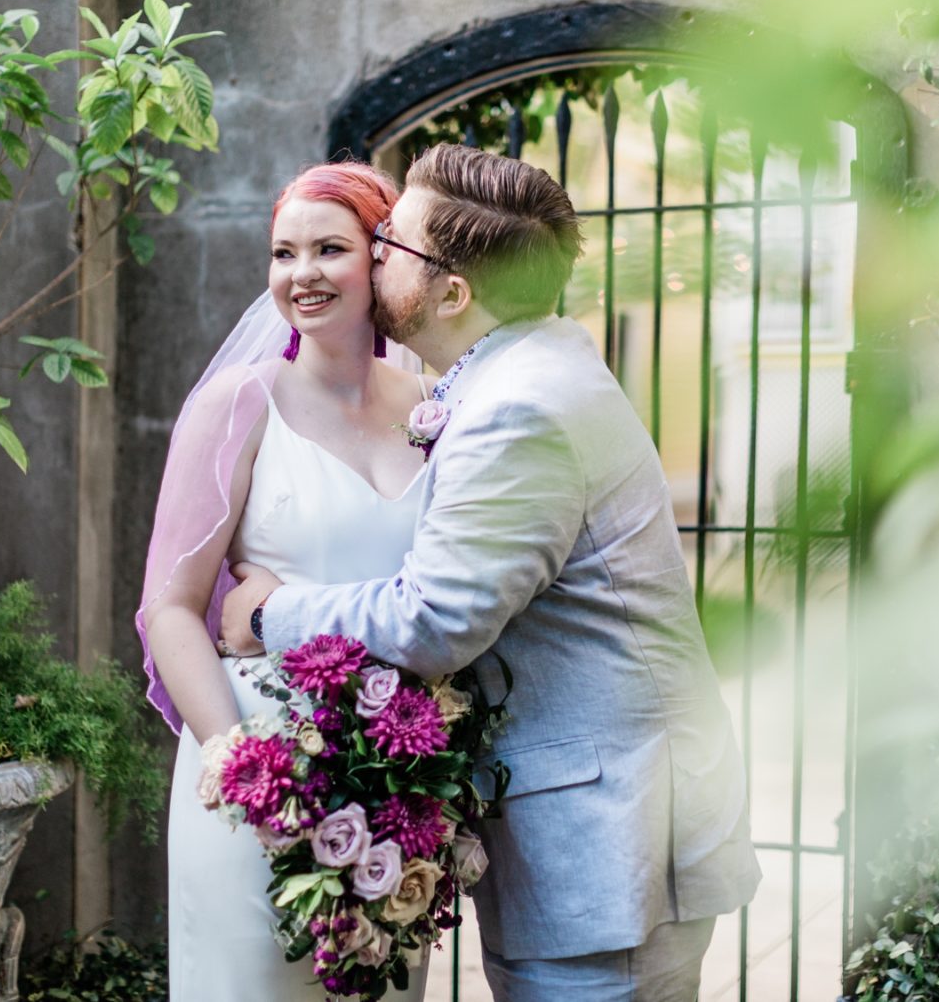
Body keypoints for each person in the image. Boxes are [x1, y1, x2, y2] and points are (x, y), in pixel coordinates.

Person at [220, 143, 761, 1001]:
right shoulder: (534, 367)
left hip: (603, 845)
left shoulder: (518, 411)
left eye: (388, 240)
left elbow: (436, 620)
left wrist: (273, 610)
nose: (370, 248)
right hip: (612, 823)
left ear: (453, 290)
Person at [136, 162, 432, 1001]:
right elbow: (172, 606)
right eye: (283, 252)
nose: (301, 274)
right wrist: (237, 756)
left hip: (394, 775)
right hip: (258, 770)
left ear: (382, 261)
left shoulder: (436, 407)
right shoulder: (240, 402)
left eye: (330, 249)